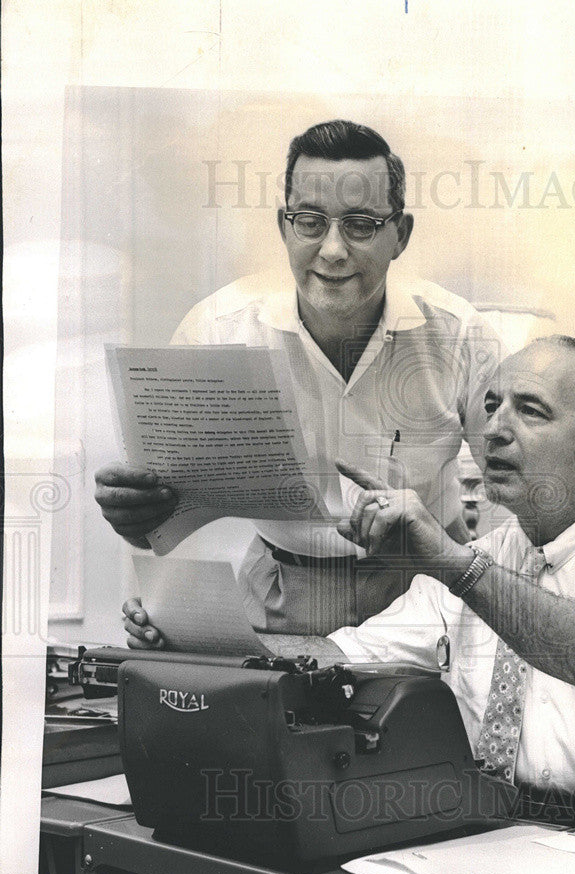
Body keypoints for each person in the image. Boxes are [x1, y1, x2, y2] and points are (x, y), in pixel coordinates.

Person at [124, 334, 575, 874]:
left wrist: (449, 562)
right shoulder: (480, 563)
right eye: (492, 404)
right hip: (492, 833)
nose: (494, 430)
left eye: (530, 411)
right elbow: (339, 656)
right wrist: (210, 640)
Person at [95, 119, 505, 634]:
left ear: (400, 235)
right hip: (283, 591)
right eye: (310, 221)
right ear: (284, 226)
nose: (332, 251)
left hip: (430, 589)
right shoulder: (218, 330)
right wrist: (134, 517)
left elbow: (520, 499)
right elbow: (161, 526)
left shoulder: (461, 335)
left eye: (360, 225)